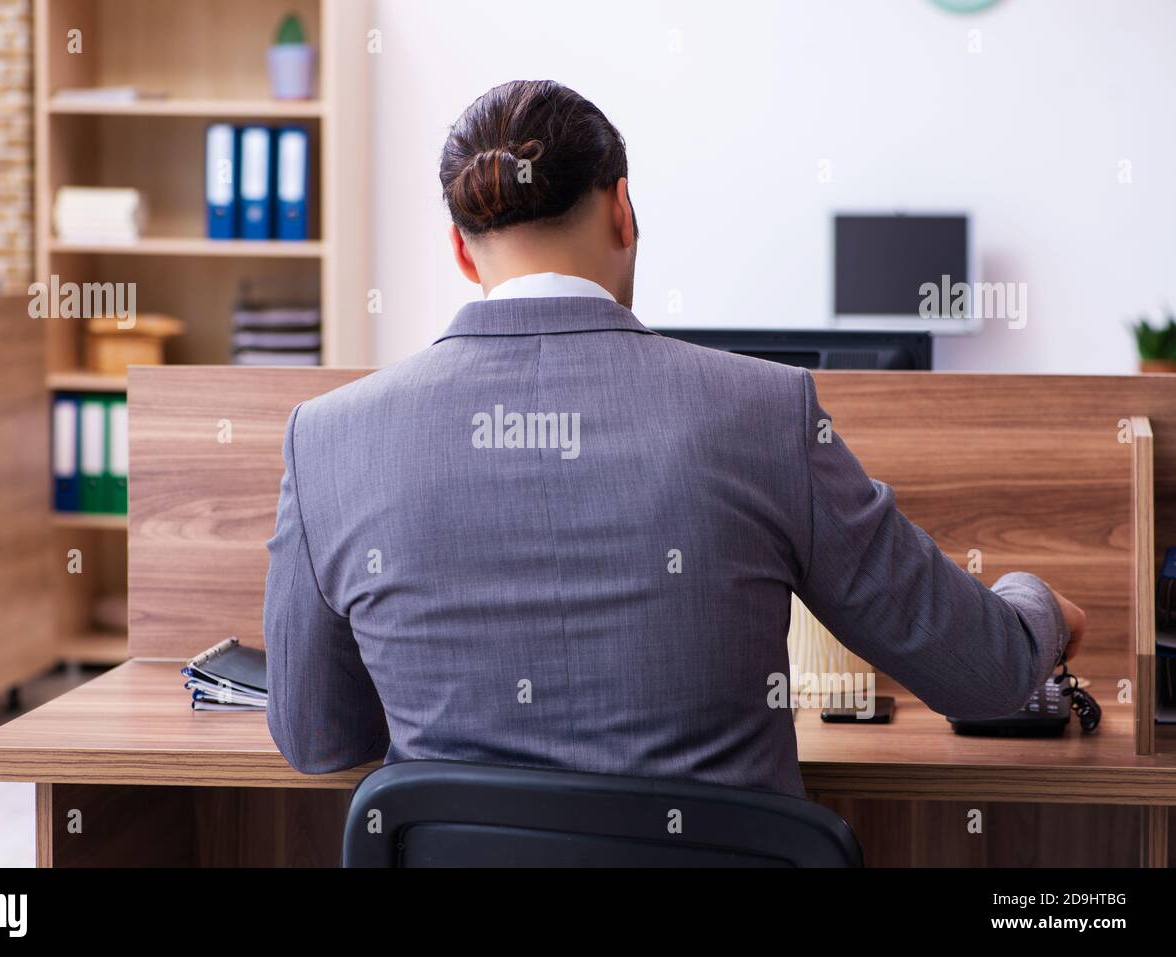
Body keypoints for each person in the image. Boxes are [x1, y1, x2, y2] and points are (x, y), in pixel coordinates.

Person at [262, 79, 1085, 797]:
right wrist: (1039, 608)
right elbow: (985, 676)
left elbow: (318, 741)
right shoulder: (767, 410)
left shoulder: (328, 438)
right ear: (624, 210)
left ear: (459, 250)